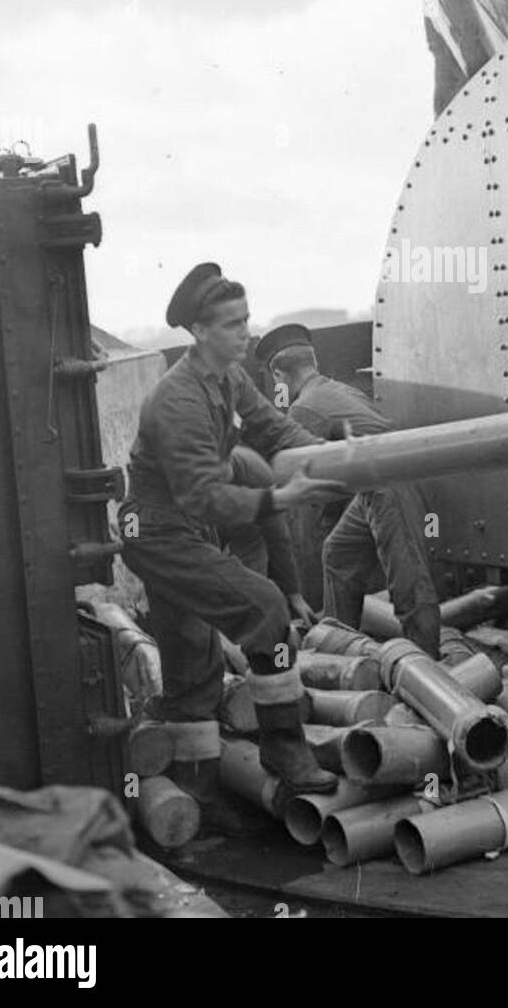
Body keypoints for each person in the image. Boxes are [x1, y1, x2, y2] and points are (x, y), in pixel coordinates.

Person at [119, 264, 347, 827]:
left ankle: (198, 791)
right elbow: (204, 497)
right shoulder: (178, 399)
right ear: (199, 332)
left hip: (182, 528)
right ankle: (283, 747)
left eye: (246, 320)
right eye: (230, 325)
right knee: (265, 606)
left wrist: (329, 454)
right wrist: (278, 499)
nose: (245, 332)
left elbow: (273, 428)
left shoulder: (230, 378)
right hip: (158, 531)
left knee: (190, 653)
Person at [256, 324, 441, 658]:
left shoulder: (304, 408)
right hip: (373, 485)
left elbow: (300, 477)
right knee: (339, 553)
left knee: (409, 584)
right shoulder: (340, 390)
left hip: (390, 482)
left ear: (279, 376)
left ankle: (430, 671)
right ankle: (342, 649)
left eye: (276, 382)